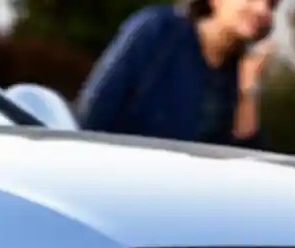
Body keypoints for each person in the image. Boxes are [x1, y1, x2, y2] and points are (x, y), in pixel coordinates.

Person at [76, 0, 278, 147]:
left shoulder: (239, 71)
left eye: (271, 3)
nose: (262, 9)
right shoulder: (157, 32)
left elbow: (245, 165)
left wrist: (247, 92)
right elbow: (93, 116)